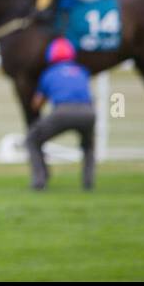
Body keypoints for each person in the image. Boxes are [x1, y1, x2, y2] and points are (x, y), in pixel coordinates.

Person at [25, 38, 96, 190]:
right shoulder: (81, 70)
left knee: (32, 140)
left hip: (62, 112)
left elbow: (37, 104)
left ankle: (39, 181)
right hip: (88, 112)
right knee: (88, 146)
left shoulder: (49, 73)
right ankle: (88, 182)